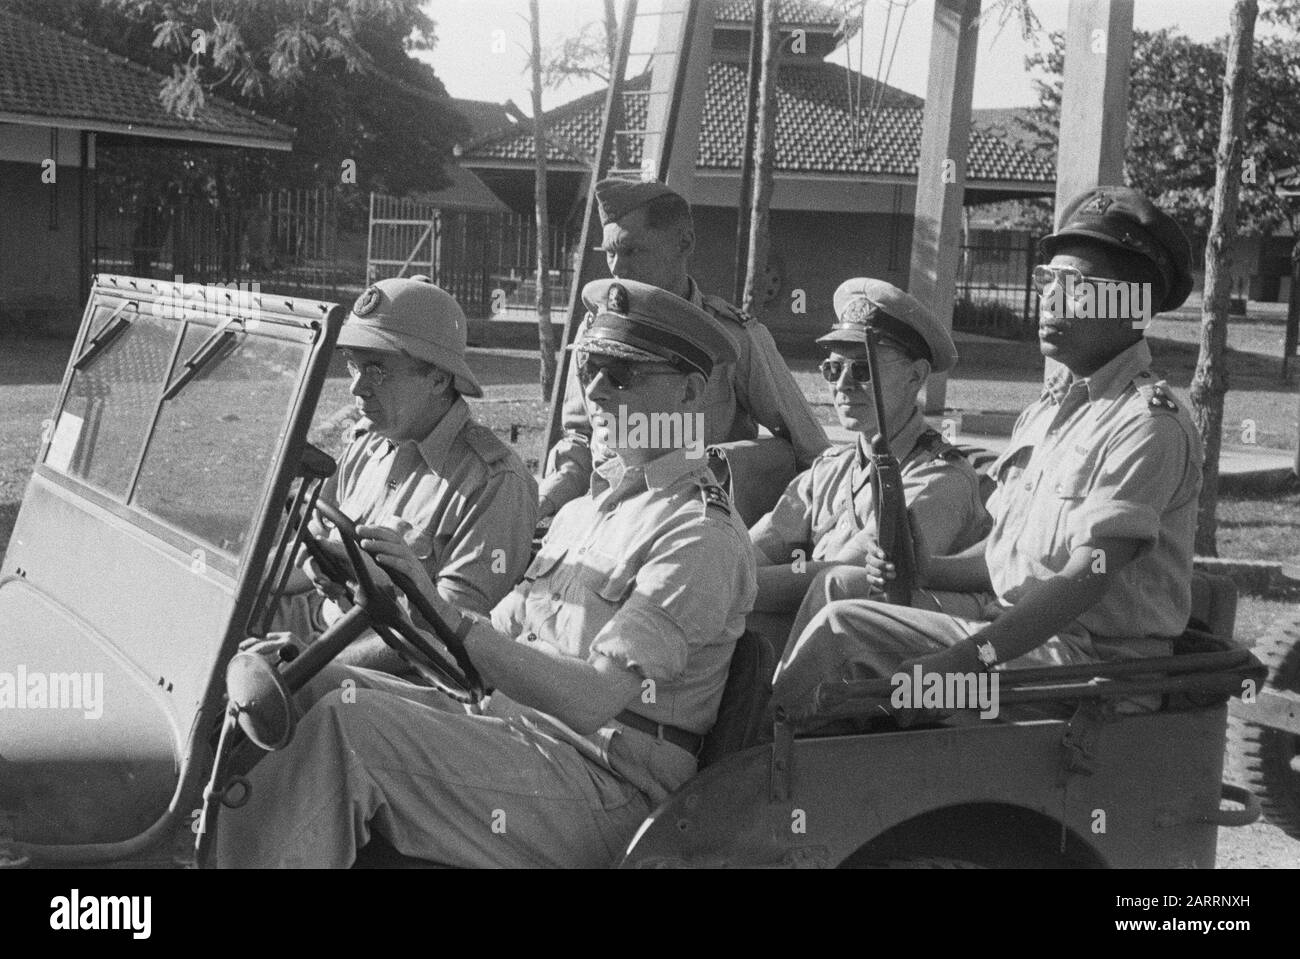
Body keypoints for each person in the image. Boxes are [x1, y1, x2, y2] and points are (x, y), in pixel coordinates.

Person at [214, 277, 757, 869]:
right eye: (590, 368)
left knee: (350, 729)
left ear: (689, 393)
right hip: (515, 731)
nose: (595, 391)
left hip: (607, 784)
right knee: (311, 684)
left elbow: (595, 698)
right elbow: (480, 642)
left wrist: (447, 618)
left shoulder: (699, 534)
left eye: (622, 375)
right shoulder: (584, 511)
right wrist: (397, 598)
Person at [769, 186, 1202, 725]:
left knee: (847, 632)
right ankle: (789, 761)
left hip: (1093, 675)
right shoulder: (1046, 415)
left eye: (1076, 287)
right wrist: (928, 569)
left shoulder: (1147, 424)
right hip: (1024, 646)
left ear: (1133, 305)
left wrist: (963, 661)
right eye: (1047, 281)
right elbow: (1011, 560)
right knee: (846, 600)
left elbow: (1084, 577)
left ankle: (764, 771)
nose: (1049, 298)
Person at [274, 276, 537, 672]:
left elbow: (446, 640)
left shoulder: (494, 484)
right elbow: (307, 551)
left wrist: (310, 672)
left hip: (388, 676)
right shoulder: (368, 443)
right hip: (322, 629)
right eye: (353, 366)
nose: (356, 388)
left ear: (438, 379)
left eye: (377, 371)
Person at [539, 177, 829, 518]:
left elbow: (810, 449)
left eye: (631, 250)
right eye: (610, 253)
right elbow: (580, 438)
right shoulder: (594, 331)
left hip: (695, 521)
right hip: (609, 514)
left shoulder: (732, 336)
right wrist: (548, 497)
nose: (618, 268)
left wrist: (779, 535)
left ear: (685, 241)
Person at [747, 279, 991, 652]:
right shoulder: (831, 468)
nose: (843, 385)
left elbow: (845, 575)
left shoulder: (940, 476)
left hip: (898, 656)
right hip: (823, 634)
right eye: (832, 369)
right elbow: (758, 549)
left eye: (862, 369)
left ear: (916, 376)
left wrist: (728, 587)